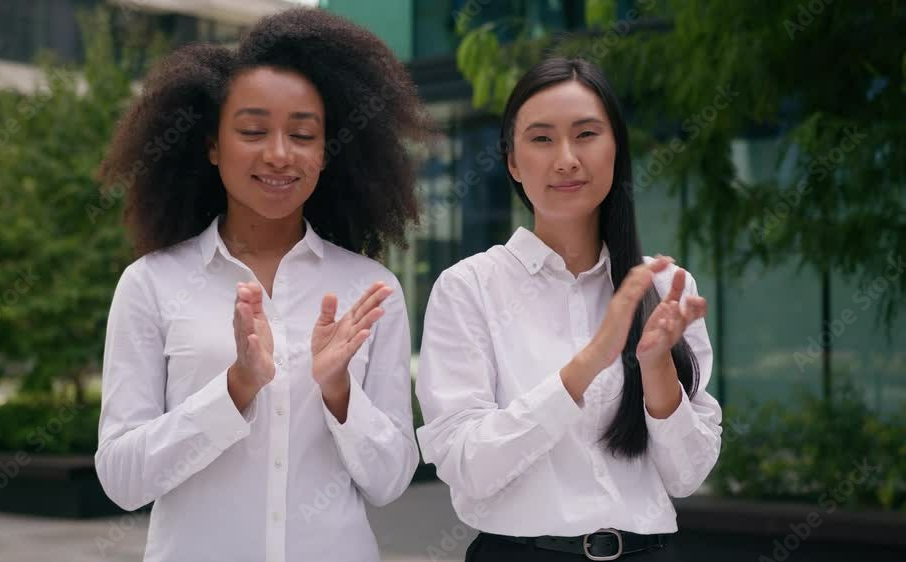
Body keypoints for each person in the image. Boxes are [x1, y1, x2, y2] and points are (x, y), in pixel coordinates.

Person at [94, 8, 431, 562]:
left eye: (302, 134)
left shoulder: (371, 290)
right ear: (211, 144)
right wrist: (234, 389)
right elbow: (123, 480)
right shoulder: (152, 284)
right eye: (252, 131)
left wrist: (339, 393)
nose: (279, 153)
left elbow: (391, 481)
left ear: (326, 153)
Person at [415, 57, 723, 561]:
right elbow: (468, 464)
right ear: (512, 161)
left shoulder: (665, 286)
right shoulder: (468, 287)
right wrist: (589, 362)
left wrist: (656, 364)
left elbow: (687, 476)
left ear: (615, 150)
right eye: (540, 139)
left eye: (586, 134)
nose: (566, 159)